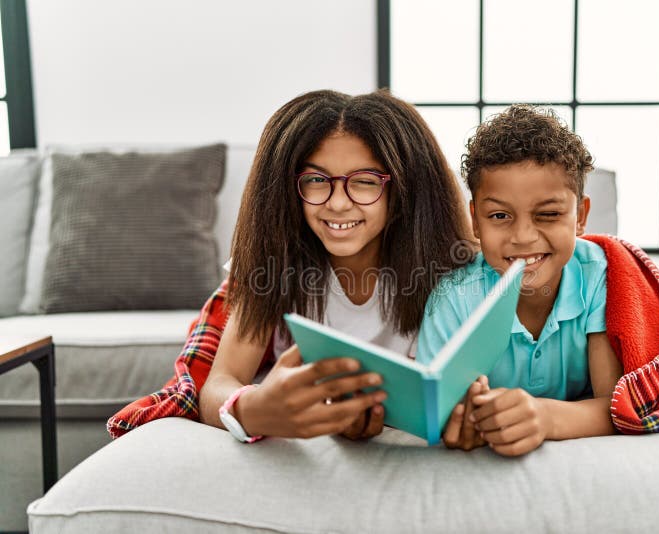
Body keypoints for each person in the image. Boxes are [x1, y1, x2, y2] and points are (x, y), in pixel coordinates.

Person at [197, 89, 474, 443]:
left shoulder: (449, 271)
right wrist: (255, 408)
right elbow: (217, 385)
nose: (338, 203)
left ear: (404, 191)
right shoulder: (273, 266)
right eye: (315, 181)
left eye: (365, 182)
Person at [416, 104, 623, 456]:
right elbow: (436, 414)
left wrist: (546, 418)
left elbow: (617, 408)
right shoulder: (454, 299)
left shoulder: (599, 274)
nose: (523, 236)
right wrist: (461, 422)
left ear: (581, 217)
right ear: (475, 222)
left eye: (548, 214)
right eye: (499, 215)